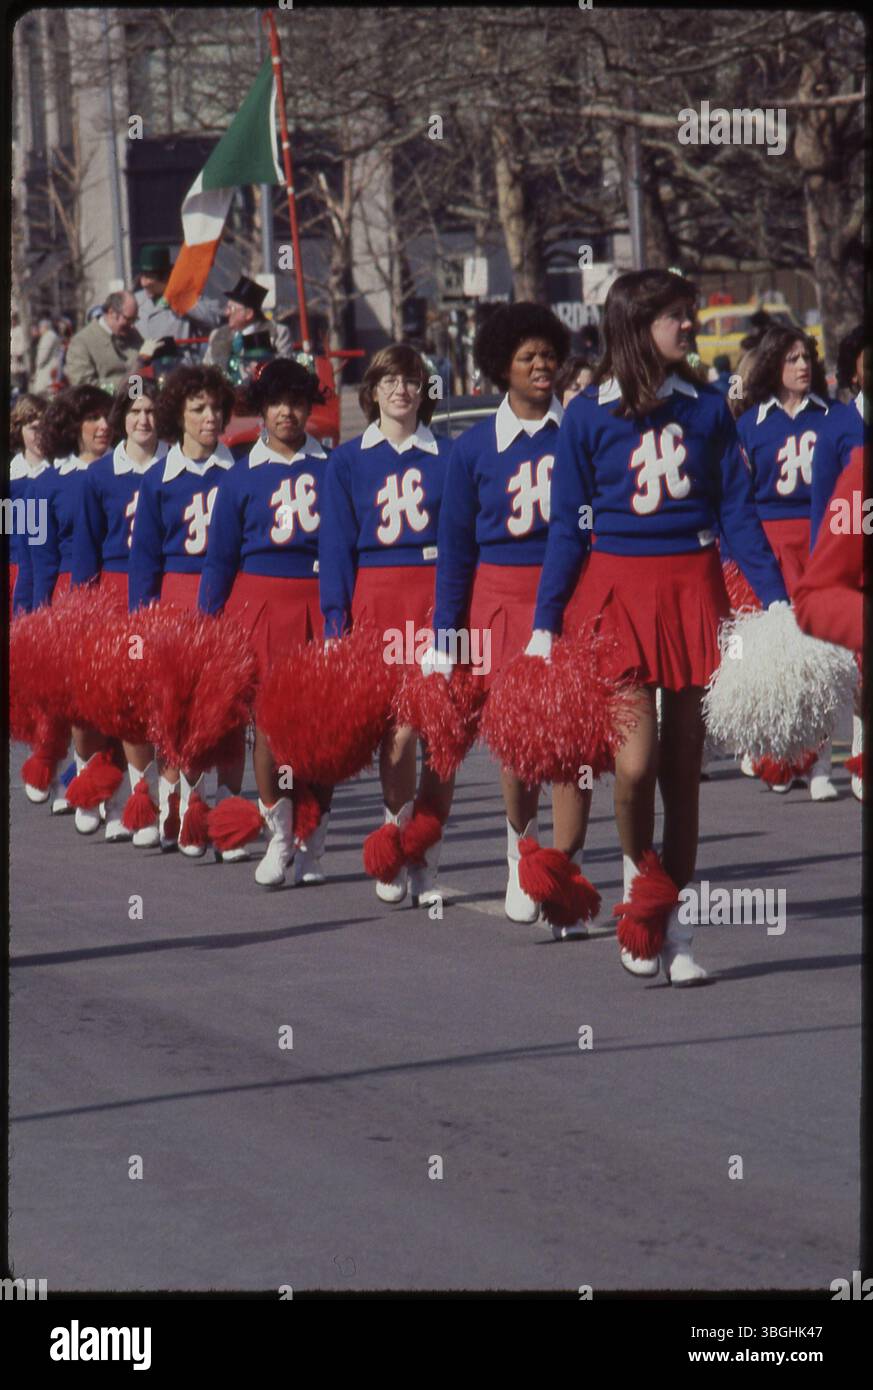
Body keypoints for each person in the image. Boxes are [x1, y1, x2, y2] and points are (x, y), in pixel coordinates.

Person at [529, 269, 788, 982]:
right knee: (634, 763)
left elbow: (736, 511)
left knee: (683, 771)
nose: (690, 327)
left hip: (691, 590)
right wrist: (544, 622)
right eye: (676, 316)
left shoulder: (706, 408)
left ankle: (670, 924)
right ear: (635, 324)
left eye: (689, 315)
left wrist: (774, 599)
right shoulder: (584, 415)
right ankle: (638, 884)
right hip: (615, 594)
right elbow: (567, 530)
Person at [423, 303, 595, 940]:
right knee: (520, 740)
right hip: (496, 601)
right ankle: (521, 854)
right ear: (503, 368)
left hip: (567, 597)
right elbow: (456, 548)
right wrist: (445, 635)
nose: (542, 366)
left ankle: (566, 870)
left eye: (548, 354)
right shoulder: (470, 450)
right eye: (527, 358)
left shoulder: (579, 432)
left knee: (572, 743)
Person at [319, 343, 454, 907]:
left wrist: (450, 620)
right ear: (372, 392)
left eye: (413, 379)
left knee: (443, 734)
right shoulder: (347, 461)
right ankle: (395, 837)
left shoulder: (449, 456)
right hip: (377, 600)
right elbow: (335, 549)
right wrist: (335, 626)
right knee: (396, 734)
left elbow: (459, 545)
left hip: (434, 596)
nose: (402, 389)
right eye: (390, 380)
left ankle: (427, 849)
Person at [199, 359, 332, 887]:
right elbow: (219, 559)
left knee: (321, 727)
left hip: (319, 602)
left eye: (297, 402)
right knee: (269, 730)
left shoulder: (332, 467)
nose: (287, 412)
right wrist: (208, 626)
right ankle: (279, 831)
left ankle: (314, 831)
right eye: (276, 402)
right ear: (262, 409)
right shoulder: (237, 475)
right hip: (257, 604)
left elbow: (346, 548)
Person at [128, 364, 243, 857]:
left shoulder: (240, 471)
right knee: (174, 709)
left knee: (233, 709)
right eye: (198, 409)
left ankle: (231, 813)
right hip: (176, 598)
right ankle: (174, 801)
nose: (210, 417)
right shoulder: (157, 480)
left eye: (216, 407)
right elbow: (144, 561)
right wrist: (140, 625)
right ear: (180, 414)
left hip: (231, 596)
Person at [738, 325, 837, 798]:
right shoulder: (750, 425)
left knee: (817, 657)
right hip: (768, 548)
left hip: (819, 542)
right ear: (773, 365)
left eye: (808, 357)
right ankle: (779, 756)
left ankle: (818, 763)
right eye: (793, 358)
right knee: (776, 659)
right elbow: (735, 499)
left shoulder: (832, 418)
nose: (803, 366)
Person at [70, 376, 168, 845]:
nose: (143, 420)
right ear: (120, 420)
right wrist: (83, 609)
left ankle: (150, 801)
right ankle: (103, 793)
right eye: (134, 412)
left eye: (150, 411)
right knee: (110, 700)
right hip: (112, 591)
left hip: (163, 592)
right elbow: (86, 549)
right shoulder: (98, 476)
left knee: (152, 701)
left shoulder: (176, 466)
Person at [26, 386, 116, 833]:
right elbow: (35, 557)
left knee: (113, 699)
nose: (103, 426)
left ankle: (100, 786)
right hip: (65, 597)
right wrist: (35, 616)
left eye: (107, 417)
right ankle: (65, 768)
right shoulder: (43, 486)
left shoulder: (124, 475)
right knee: (72, 700)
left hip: (113, 595)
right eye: (92, 418)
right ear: (72, 426)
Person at [133, 244, 223, 349]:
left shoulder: (186, 296)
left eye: (150, 277)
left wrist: (179, 300)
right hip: (147, 362)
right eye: (142, 276)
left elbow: (214, 319)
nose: (144, 283)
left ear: (165, 277)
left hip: (180, 361)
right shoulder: (135, 301)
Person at [8, 394, 50, 617]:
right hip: (14, 570)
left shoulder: (57, 475)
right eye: (34, 428)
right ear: (19, 429)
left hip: (46, 573)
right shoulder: (12, 477)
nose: (40, 436)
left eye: (45, 428)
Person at [64, 292, 157, 389]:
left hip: (138, 399)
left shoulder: (133, 334)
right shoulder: (81, 342)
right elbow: (84, 386)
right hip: (106, 402)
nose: (132, 325)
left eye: (135, 319)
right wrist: (123, 385)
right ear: (112, 313)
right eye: (128, 319)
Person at [204, 276, 292, 377]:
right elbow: (206, 367)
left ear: (249, 314)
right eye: (226, 307)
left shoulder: (277, 332)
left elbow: (286, 368)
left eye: (231, 308)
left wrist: (263, 363)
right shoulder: (218, 334)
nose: (226, 313)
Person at [31, 317, 62, 394]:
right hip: (50, 369)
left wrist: (36, 364)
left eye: (40, 328)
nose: (39, 330)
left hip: (46, 371)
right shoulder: (52, 335)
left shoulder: (48, 336)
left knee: (45, 395)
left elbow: (42, 356)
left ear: (44, 327)